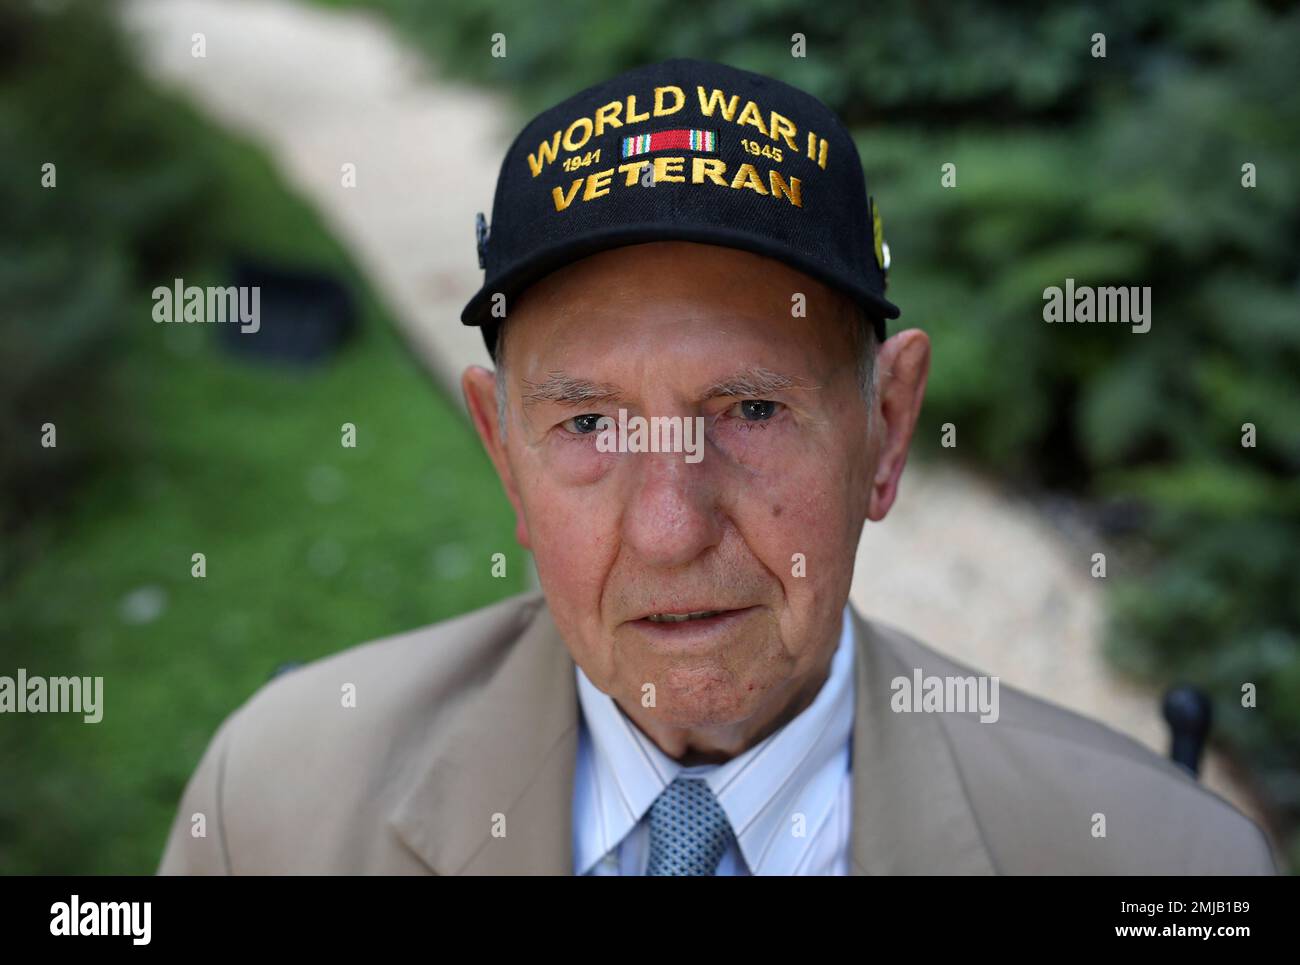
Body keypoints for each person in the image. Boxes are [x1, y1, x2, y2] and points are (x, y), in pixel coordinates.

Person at [158, 59, 1275, 875]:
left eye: (749, 407)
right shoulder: (270, 807)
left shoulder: (1164, 863)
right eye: (588, 423)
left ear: (887, 428)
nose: (667, 528)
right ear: (503, 453)